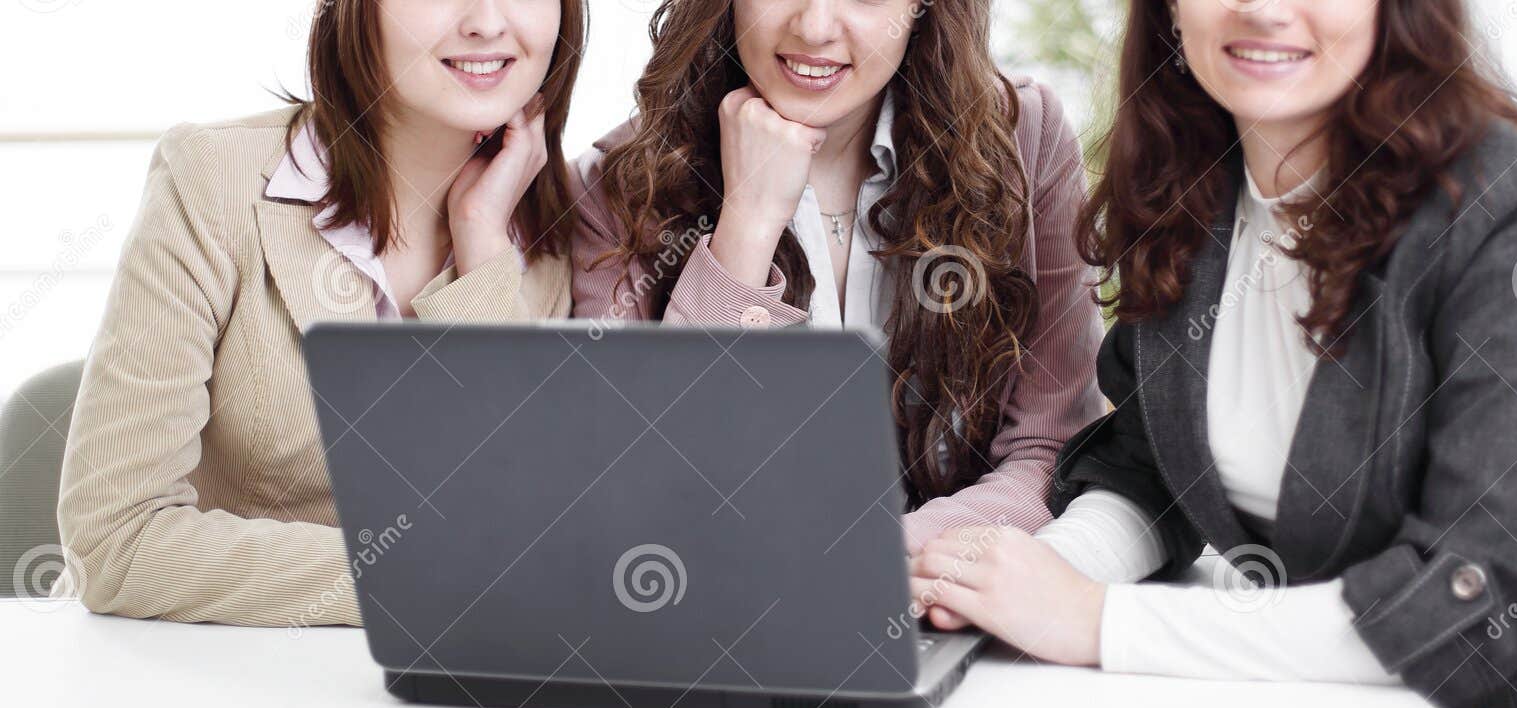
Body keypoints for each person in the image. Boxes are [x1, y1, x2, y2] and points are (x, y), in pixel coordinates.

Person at [910, 0, 1517, 708]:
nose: (1264, 9)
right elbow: (1149, 467)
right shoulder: (1188, 186)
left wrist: (1099, 622)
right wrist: (1035, 577)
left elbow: (1476, 589)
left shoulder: (1510, 207)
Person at [56, 0, 585, 626]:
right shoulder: (210, 180)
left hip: (425, 703)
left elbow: (518, 540)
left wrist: (482, 242)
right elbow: (117, 542)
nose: (487, 22)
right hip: (193, 678)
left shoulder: (555, 234)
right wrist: (418, 577)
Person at [569, 0, 1105, 552]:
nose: (814, 27)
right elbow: (639, 485)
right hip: (729, 615)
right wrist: (747, 222)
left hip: (952, 608)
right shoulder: (616, 187)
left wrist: (880, 557)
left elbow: (1050, 449)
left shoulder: (1023, 138)